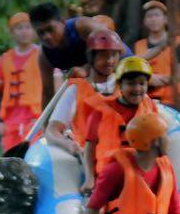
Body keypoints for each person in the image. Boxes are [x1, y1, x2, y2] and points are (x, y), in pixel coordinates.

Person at [81, 55, 160, 193]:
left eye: (142, 84)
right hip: (109, 177)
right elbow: (89, 147)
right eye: (131, 83)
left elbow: (158, 145)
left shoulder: (150, 108)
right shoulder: (100, 111)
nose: (137, 89)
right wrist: (89, 178)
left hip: (142, 174)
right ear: (120, 86)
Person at [45, 28, 124, 157]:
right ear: (91, 57)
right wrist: (67, 144)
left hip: (122, 157)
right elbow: (52, 130)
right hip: (86, 159)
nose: (110, 60)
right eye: (104, 55)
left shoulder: (125, 84)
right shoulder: (75, 90)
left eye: (113, 55)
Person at [0, 13, 44, 152]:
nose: (24, 31)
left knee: (34, 161)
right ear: (12, 33)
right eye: (19, 28)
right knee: (10, 162)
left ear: (34, 31)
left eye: (28, 27)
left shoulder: (43, 55)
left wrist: (48, 120)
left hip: (36, 121)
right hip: (10, 124)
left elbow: (57, 86)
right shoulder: (5, 59)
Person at [30, 3, 103, 104]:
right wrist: (45, 119)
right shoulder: (44, 56)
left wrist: (86, 69)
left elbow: (117, 51)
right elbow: (47, 93)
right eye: (40, 33)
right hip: (84, 91)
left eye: (50, 29)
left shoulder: (84, 27)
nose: (46, 36)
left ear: (63, 22)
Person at [134, 0, 180, 108]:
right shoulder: (139, 45)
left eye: (157, 15)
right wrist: (149, 79)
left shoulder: (177, 42)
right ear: (144, 21)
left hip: (172, 100)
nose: (153, 19)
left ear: (165, 19)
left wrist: (161, 80)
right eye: (149, 16)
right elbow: (133, 70)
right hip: (145, 101)